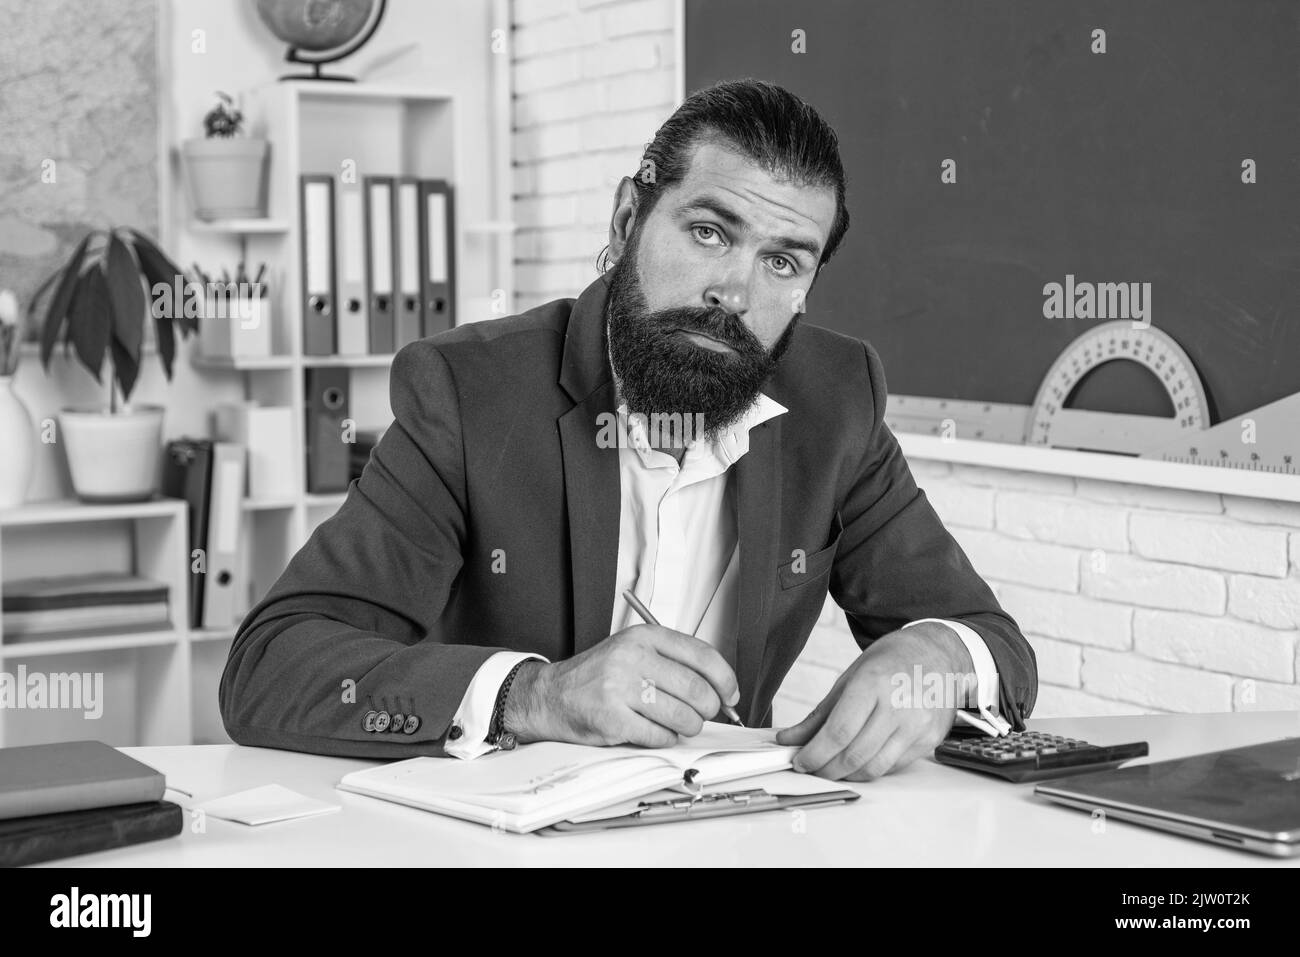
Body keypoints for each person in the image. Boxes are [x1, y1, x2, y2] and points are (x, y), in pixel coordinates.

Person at [220, 78, 1037, 781]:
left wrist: (934, 661)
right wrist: (538, 696)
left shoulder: (837, 399)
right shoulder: (468, 393)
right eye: (709, 232)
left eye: (783, 262)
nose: (734, 291)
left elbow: (994, 644)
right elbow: (270, 665)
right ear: (627, 217)